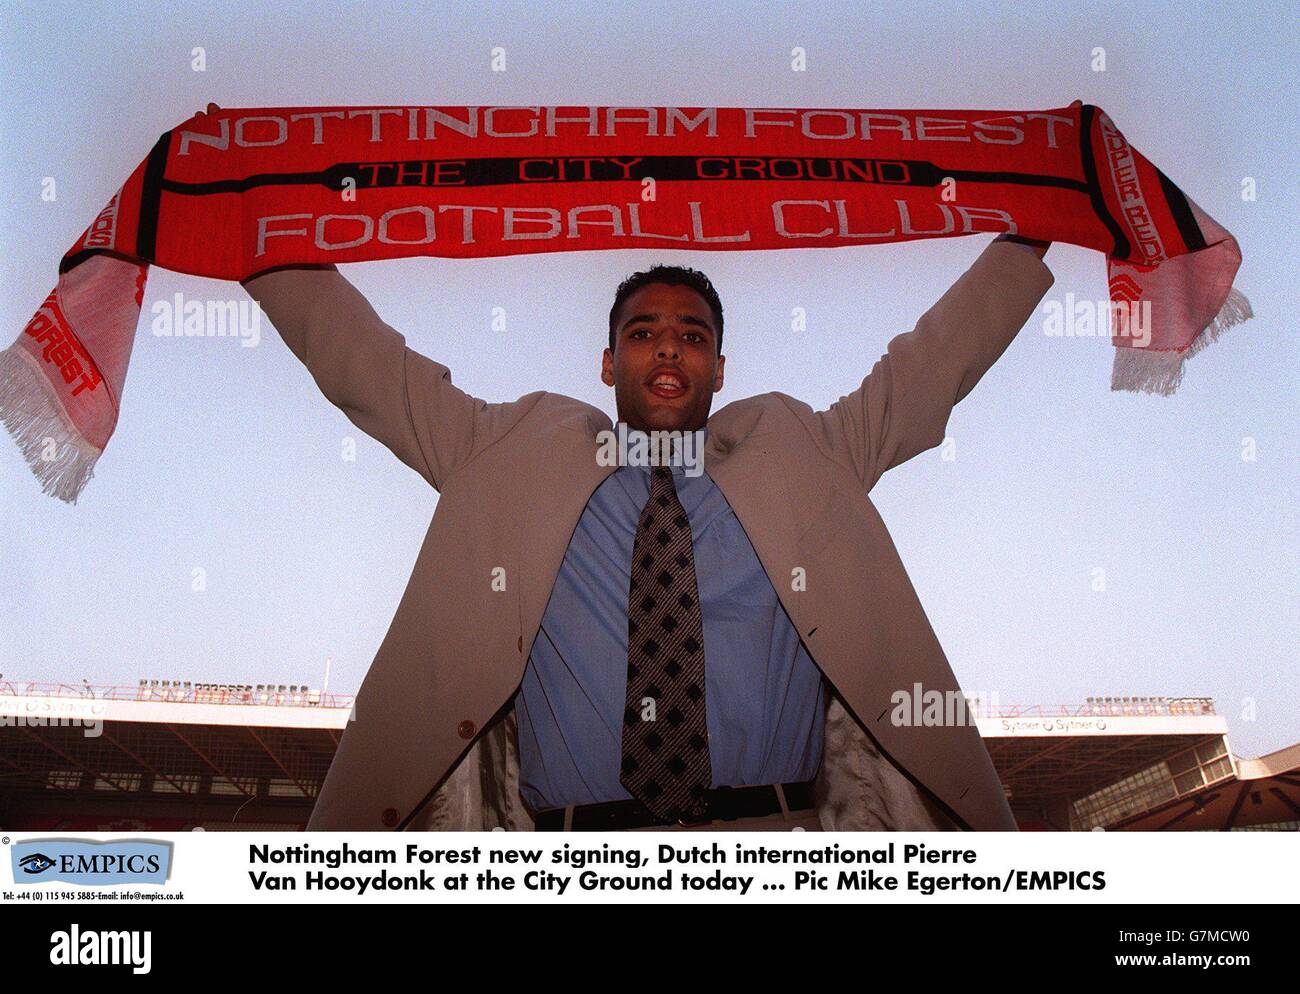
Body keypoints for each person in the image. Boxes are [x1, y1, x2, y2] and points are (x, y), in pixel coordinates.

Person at [212, 101, 1054, 833]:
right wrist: (247, 218)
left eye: (692, 336)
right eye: (643, 332)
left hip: (778, 842)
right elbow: (365, 364)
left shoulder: (808, 448)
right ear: (608, 363)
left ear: (719, 368)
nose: (668, 351)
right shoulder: (503, 449)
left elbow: (932, 365)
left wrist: (1047, 206)